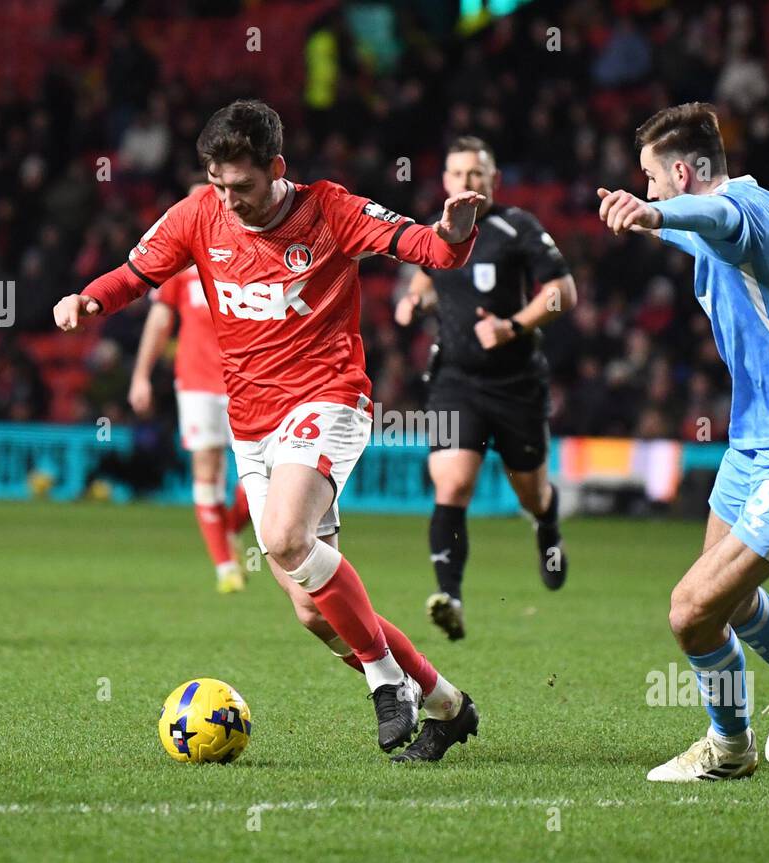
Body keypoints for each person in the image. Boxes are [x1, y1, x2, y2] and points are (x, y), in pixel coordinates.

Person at [54, 100, 481, 761]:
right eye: (219, 185)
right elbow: (137, 275)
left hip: (328, 400)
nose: (230, 200)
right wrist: (89, 298)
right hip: (250, 424)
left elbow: (429, 250)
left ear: (277, 168)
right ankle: (448, 704)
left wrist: (454, 234)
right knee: (314, 609)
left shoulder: (331, 210)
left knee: (284, 537)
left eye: (243, 186)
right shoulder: (201, 213)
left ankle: (384, 678)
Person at [598, 102, 769, 782]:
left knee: (691, 611)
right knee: (728, 600)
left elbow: (711, 220)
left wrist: (655, 214)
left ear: (684, 172)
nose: (650, 188)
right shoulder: (759, 204)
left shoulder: (737, 214)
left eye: (653, 178)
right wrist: (651, 222)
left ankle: (728, 749)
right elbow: (697, 230)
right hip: (755, 442)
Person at [396, 136, 578, 641]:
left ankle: (546, 522)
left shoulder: (516, 227)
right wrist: (413, 301)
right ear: (446, 182)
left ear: (493, 180)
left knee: (531, 493)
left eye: (477, 174)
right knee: (452, 485)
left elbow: (563, 293)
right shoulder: (439, 231)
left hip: (516, 383)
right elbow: (426, 278)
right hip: (454, 380)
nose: (467, 183)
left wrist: (512, 326)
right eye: (458, 174)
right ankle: (449, 596)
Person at [128, 255, 250, 595]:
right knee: (205, 467)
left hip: (250, 381)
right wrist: (141, 376)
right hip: (196, 383)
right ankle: (225, 567)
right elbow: (159, 320)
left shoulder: (249, 250)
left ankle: (227, 532)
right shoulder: (179, 267)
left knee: (259, 477)